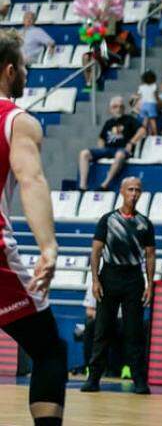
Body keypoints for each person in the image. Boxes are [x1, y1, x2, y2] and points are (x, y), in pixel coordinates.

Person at [0, 30, 68, 425]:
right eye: (24, 66)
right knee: (48, 350)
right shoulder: (17, 120)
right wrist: (49, 247)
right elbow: (31, 181)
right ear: (10, 71)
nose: (26, 72)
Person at [82, 177, 155, 395]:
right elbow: (95, 251)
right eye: (130, 189)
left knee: (134, 332)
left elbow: (150, 256)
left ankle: (139, 380)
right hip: (110, 275)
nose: (134, 193)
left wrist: (150, 285)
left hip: (133, 277)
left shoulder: (144, 223)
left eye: (138, 190)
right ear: (122, 191)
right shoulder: (107, 220)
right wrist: (95, 280)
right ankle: (93, 378)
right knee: (102, 329)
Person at [78, 96, 145, 191]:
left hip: (122, 149)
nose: (118, 109)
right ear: (110, 109)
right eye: (115, 107)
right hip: (108, 149)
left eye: (121, 107)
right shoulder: (109, 122)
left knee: (119, 154)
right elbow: (101, 138)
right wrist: (101, 149)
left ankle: (105, 184)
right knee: (84, 153)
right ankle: (83, 186)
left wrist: (131, 142)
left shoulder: (129, 119)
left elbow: (142, 130)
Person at [137, 70, 159, 135]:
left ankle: (143, 134)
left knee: (145, 121)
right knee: (153, 121)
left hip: (143, 105)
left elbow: (140, 96)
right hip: (151, 104)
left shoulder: (141, 87)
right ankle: (155, 135)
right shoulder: (154, 86)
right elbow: (156, 96)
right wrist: (157, 102)